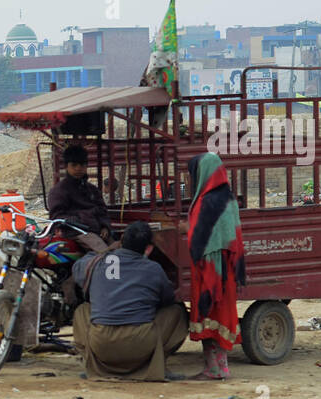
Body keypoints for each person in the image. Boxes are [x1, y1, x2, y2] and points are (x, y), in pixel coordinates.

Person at [71, 221, 188, 381]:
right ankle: (156, 364)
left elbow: (78, 268)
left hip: (102, 344)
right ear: (149, 248)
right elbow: (168, 300)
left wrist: (106, 252)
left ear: (121, 241)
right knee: (178, 311)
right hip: (140, 344)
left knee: (82, 310)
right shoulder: (153, 269)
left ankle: (94, 364)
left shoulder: (97, 262)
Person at [185, 152, 246, 380]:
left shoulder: (205, 202)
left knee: (208, 314)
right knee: (220, 317)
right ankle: (222, 367)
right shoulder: (228, 199)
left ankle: (214, 369)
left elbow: (197, 240)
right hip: (226, 273)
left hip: (208, 274)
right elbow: (233, 238)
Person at [48, 144, 111, 237]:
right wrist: (80, 218)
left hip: (97, 232)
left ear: (86, 166)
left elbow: (103, 212)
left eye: (82, 165)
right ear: (66, 166)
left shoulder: (93, 190)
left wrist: (105, 227)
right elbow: (57, 217)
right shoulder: (59, 191)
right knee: (102, 251)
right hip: (74, 233)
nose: (78, 168)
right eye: (74, 165)